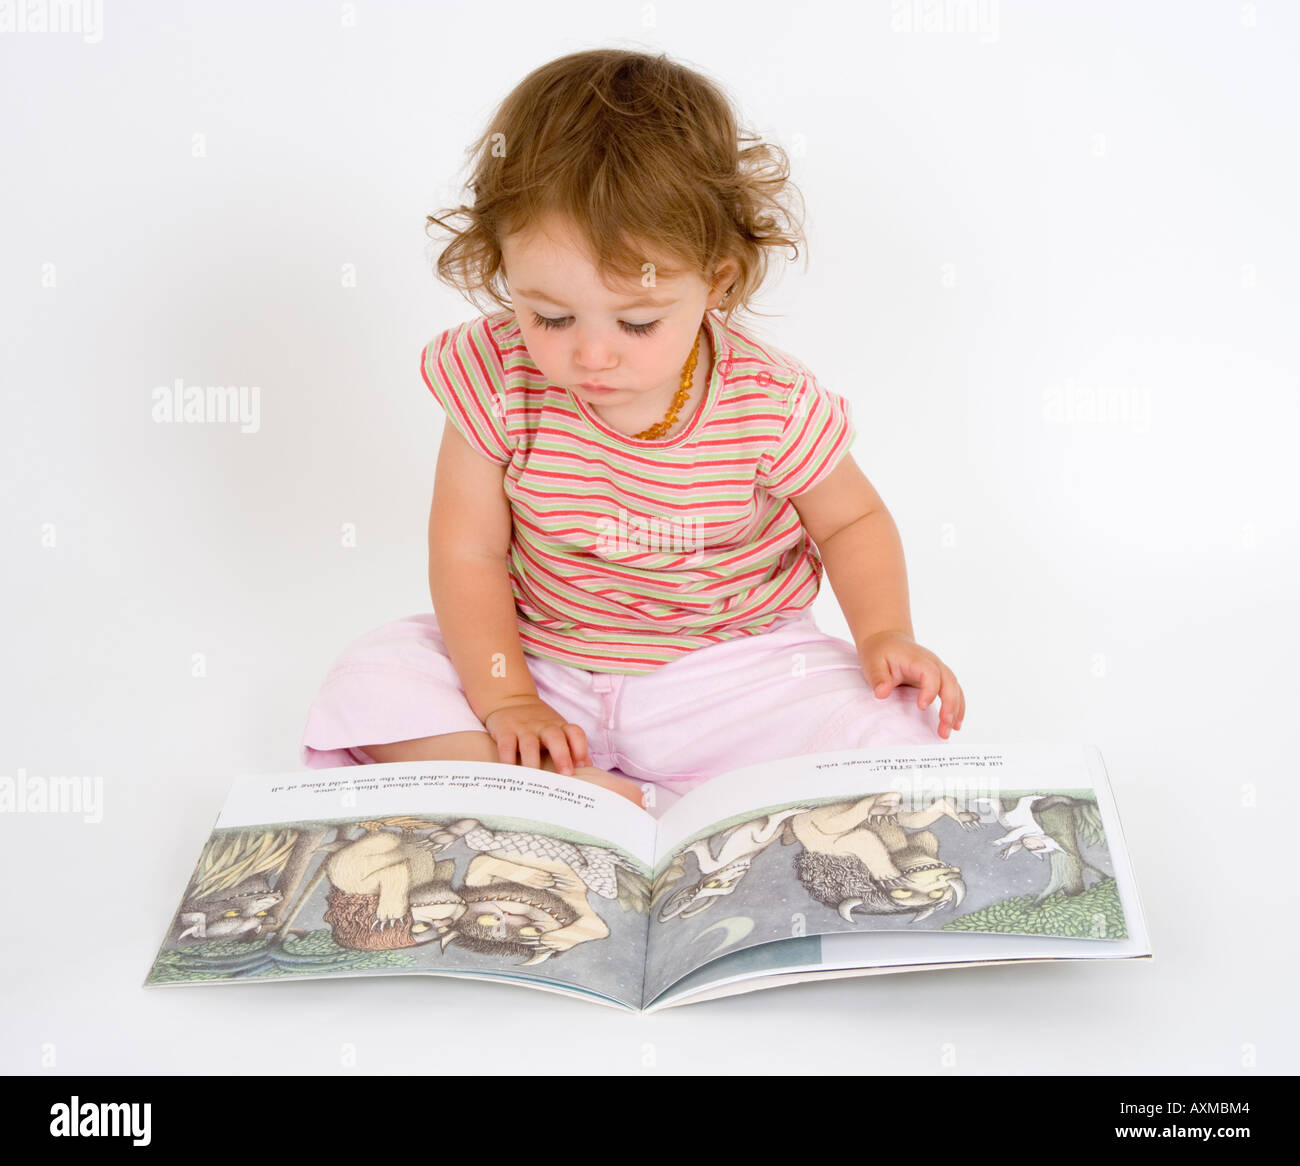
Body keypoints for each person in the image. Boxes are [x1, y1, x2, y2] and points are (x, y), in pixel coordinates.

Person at [300, 48, 965, 810]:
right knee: (371, 678)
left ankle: (573, 794)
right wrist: (507, 698)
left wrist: (886, 635)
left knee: (899, 729)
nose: (590, 353)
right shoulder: (492, 375)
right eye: (549, 315)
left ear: (716, 280)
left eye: (638, 320)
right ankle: (588, 788)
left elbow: (853, 520)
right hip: (543, 665)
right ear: (503, 269)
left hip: (727, 678)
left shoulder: (768, 401)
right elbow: (468, 549)